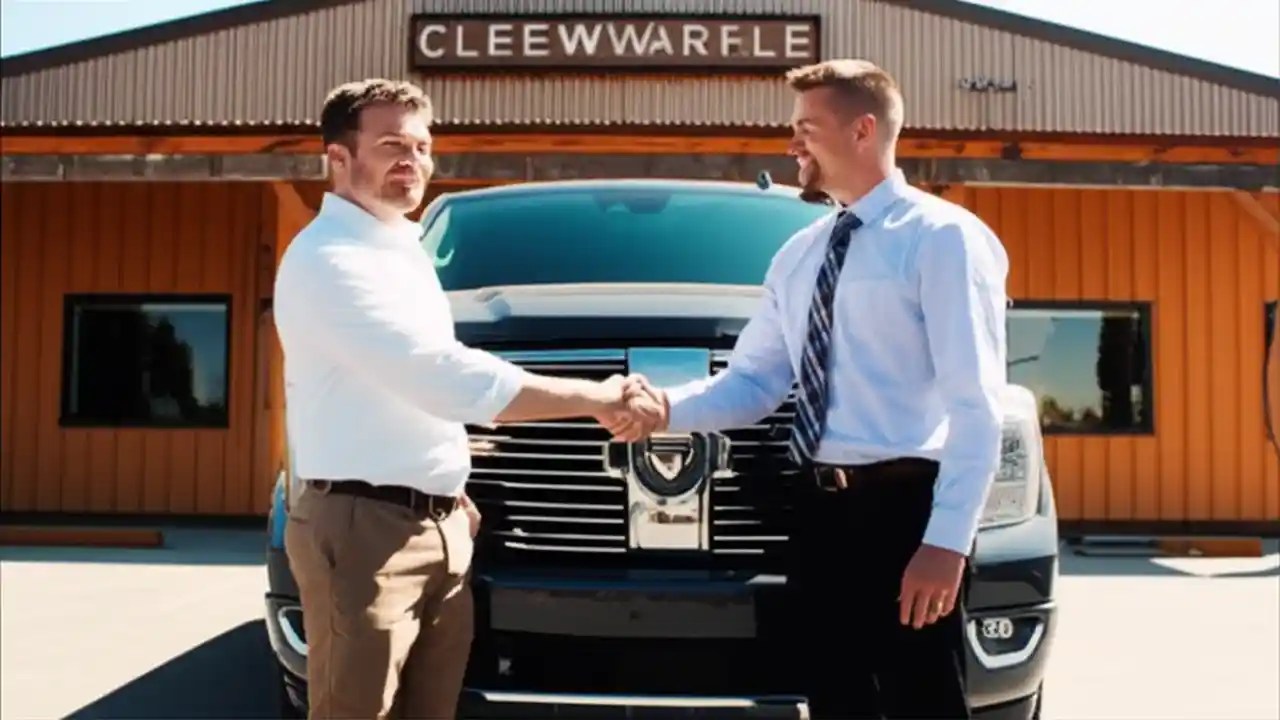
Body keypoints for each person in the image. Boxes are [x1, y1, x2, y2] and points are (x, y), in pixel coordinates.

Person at [607, 59, 1010, 719]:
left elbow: (977, 404)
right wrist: (667, 409)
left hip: (907, 511)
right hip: (819, 515)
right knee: (834, 700)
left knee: (922, 701)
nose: (791, 145)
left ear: (864, 130)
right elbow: (755, 383)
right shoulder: (799, 255)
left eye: (806, 128)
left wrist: (947, 542)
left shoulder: (942, 239)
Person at [273, 78, 655, 720]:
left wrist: (447, 483)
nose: (413, 161)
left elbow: (406, 397)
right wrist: (597, 396)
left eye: (422, 146)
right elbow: (442, 378)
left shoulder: (401, 250)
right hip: (364, 533)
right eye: (392, 144)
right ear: (337, 159)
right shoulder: (330, 260)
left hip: (440, 525)